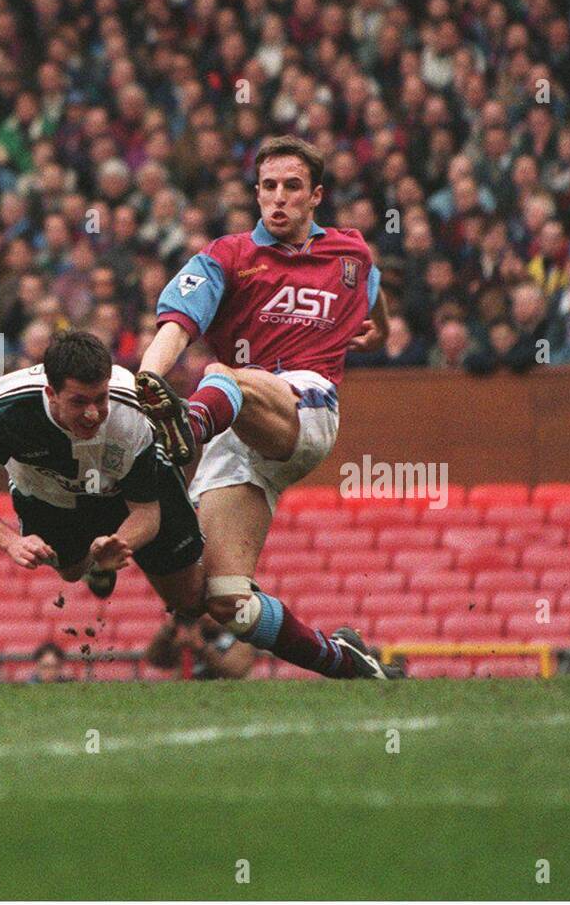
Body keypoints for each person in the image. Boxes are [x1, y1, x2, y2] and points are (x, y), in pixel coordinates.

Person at [133, 135, 401, 679]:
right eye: (268, 187)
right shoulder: (228, 257)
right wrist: (146, 381)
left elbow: (371, 291)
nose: (278, 198)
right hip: (239, 424)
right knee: (225, 598)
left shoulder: (350, 252)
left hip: (305, 407)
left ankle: (187, 426)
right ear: (256, 193)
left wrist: (380, 333)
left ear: (316, 195)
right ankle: (345, 662)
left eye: (292, 187)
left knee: (222, 376)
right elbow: (178, 324)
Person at [0, 329, 204, 618]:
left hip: (121, 485)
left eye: (100, 399)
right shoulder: (2, 416)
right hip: (50, 493)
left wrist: (120, 544)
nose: (93, 413)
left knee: (189, 599)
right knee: (70, 572)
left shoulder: (132, 409)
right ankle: (91, 568)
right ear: (51, 394)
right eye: (79, 402)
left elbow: (146, 512)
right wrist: (11, 542)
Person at [143, 617, 255, 680]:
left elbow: (234, 672)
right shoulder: (187, 634)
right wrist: (168, 631)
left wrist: (202, 648)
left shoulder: (239, 636)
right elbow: (155, 660)